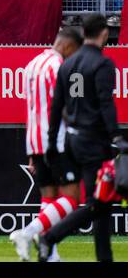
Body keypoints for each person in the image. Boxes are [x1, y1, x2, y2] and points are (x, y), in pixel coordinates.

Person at [37, 14, 121, 262]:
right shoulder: (102, 64)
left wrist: (52, 144)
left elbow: (56, 107)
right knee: (100, 201)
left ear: (84, 33)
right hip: (94, 142)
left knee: (101, 201)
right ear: (104, 33)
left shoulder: (67, 64)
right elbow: (106, 103)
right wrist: (116, 134)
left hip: (71, 141)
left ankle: (103, 257)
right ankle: (51, 237)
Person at [8, 25, 85, 261]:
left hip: (35, 141)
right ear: (69, 46)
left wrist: (32, 150)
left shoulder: (32, 65)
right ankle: (27, 233)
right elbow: (60, 107)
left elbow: (32, 107)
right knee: (73, 198)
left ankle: (50, 254)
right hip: (56, 141)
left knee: (49, 199)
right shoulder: (57, 67)